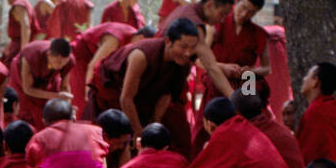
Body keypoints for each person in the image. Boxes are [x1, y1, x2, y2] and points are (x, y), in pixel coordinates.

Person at [88, 19, 232, 154]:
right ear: (169, 41)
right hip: (112, 94)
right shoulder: (141, 56)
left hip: (142, 100)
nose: (188, 53)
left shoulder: (183, 64)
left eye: (192, 48)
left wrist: (154, 125)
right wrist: (138, 130)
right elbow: (126, 98)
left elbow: (166, 94)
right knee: (112, 139)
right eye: (183, 47)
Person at [200, 0, 271, 112]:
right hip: (217, 75)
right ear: (237, 0)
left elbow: (267, 68)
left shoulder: (259, 34)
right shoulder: (216, 24)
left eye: (251, 12)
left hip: (245, 79)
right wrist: (222, 67)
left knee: (250, 106)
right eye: (243, 7)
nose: (244, 14)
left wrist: (251, 71)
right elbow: (200, 60)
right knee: (216, 114)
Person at [70, 20, 147, 119]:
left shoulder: (132, 38)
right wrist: (88, 94)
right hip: (80, 60)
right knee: (83, 105)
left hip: (93, 62)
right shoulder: (115, 38)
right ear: (141, 38)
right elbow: (93, 65)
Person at [235, 86, 302, 168]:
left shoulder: (247, 137)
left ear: (237, 113)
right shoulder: (279, 129)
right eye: (284, 114)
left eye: (289, 114)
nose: (285, 119)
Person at [9, 38, 73, 128]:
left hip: (47, 78)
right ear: (49, 54)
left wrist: (68, 108)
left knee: (52, 109)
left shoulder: (69, 61)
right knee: (25, 110)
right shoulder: (31, 56)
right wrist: (57, 96)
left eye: (63, 63)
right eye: (58, 62)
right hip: (22, 79)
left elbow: (65, 86)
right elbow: (28, 89)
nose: (60, 66)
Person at [2, 0, 38, 64]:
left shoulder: (19, 5)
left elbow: (26, 26)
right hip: (19, 45)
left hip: (20, 48)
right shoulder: (25, 2)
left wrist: (23, 52)